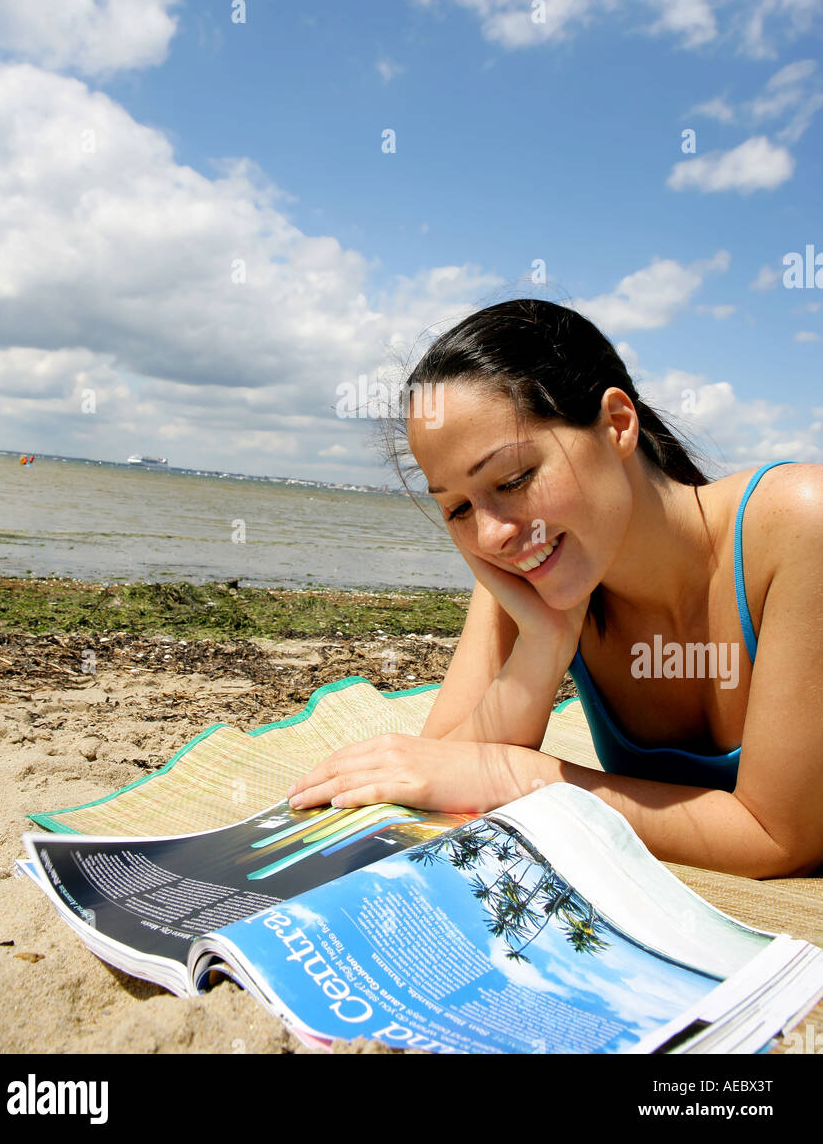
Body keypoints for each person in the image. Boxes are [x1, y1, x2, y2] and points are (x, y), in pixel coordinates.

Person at [287, 299, 823, 878]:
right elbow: (435, 767)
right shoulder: (537, 568)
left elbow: (778, 837)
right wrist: (542, 643)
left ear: (617, 424)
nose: (492, 534)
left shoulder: (797, 525)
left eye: (514, 479)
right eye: (459, 507)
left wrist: (522, 779)